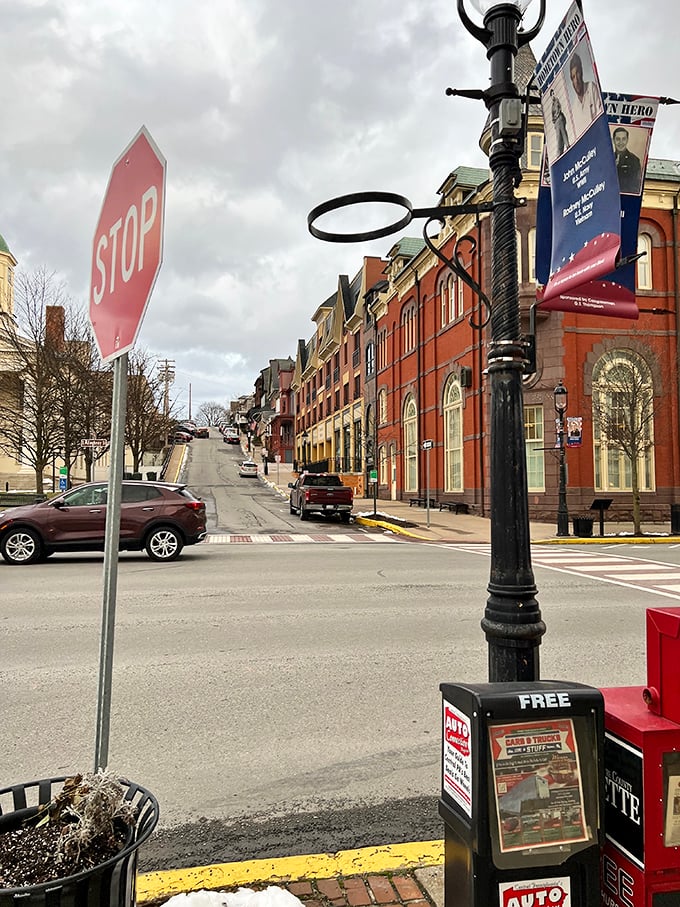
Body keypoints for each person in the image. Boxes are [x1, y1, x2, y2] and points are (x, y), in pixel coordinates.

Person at [568, 51, 602, 139]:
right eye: (573, 77)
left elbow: (600, 119)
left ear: (582, 72)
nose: (576, 81)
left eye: (577, 74)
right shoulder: (574, 108)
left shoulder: (591, 88)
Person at [612, 126, 643, 194]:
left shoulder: (634, 160)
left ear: (627, 140)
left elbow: (636, 185)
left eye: (623, 139)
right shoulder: (608, 159)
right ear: (613, 140)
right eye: (618, 139)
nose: (621, 142)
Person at [550, 89, 570, 157]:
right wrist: (554, 120)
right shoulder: (552, 104)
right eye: (552, 95)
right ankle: (560, 151)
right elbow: (552, 114)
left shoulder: (556, 101)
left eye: (553, 94)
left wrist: (556, 117)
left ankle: (567, 145)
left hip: (560, 118)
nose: (553, 96)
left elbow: (559, 109)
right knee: (558, 136)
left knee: (562, 132)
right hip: (556, 121)